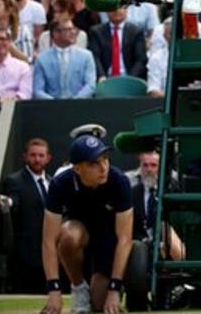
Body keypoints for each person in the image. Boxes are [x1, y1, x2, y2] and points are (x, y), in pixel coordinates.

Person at [41, 132, 133, 314]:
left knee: (100, 304)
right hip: (78, 233)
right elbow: (48, 241)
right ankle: (79, 289)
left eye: (105, 159)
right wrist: (53, 289)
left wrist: (114, 289)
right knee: (68, 236)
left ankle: (114, 289)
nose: (103, 167)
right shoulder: (61, 184)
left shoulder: (119, 182)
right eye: (94, 163)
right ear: (77, 169)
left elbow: (125, 239)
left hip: (109, 240)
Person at [0, 138, 52, 293]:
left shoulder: (52, 182)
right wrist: (8, 203)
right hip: (26, 255)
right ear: (25, 157)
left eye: (41, 156)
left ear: (48, 158)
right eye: (33, 155)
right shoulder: (13, 181)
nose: (37, 159)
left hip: (50, 254)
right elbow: (13, 200)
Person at [33, 19, 97, 100]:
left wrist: (74, 101)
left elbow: (90, 85)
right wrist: (55, 103)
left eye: (73, 29)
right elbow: (38, 90)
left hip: (79, 106)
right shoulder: (42, 59)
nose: (73, 32)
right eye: (68, 30)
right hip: (51, 108)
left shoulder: (86, 56)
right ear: (55, 34)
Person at [87, 7, 148, 81]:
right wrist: (101, 76)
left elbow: (141, 59)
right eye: (113, 8)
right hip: (105, 79)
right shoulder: (96, 32)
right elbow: (94, 57)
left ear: (126, 10)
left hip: (129, 78)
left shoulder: (136, 32)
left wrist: (130, 79)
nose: (116, 11)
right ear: (107, 12)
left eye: (120, 7)